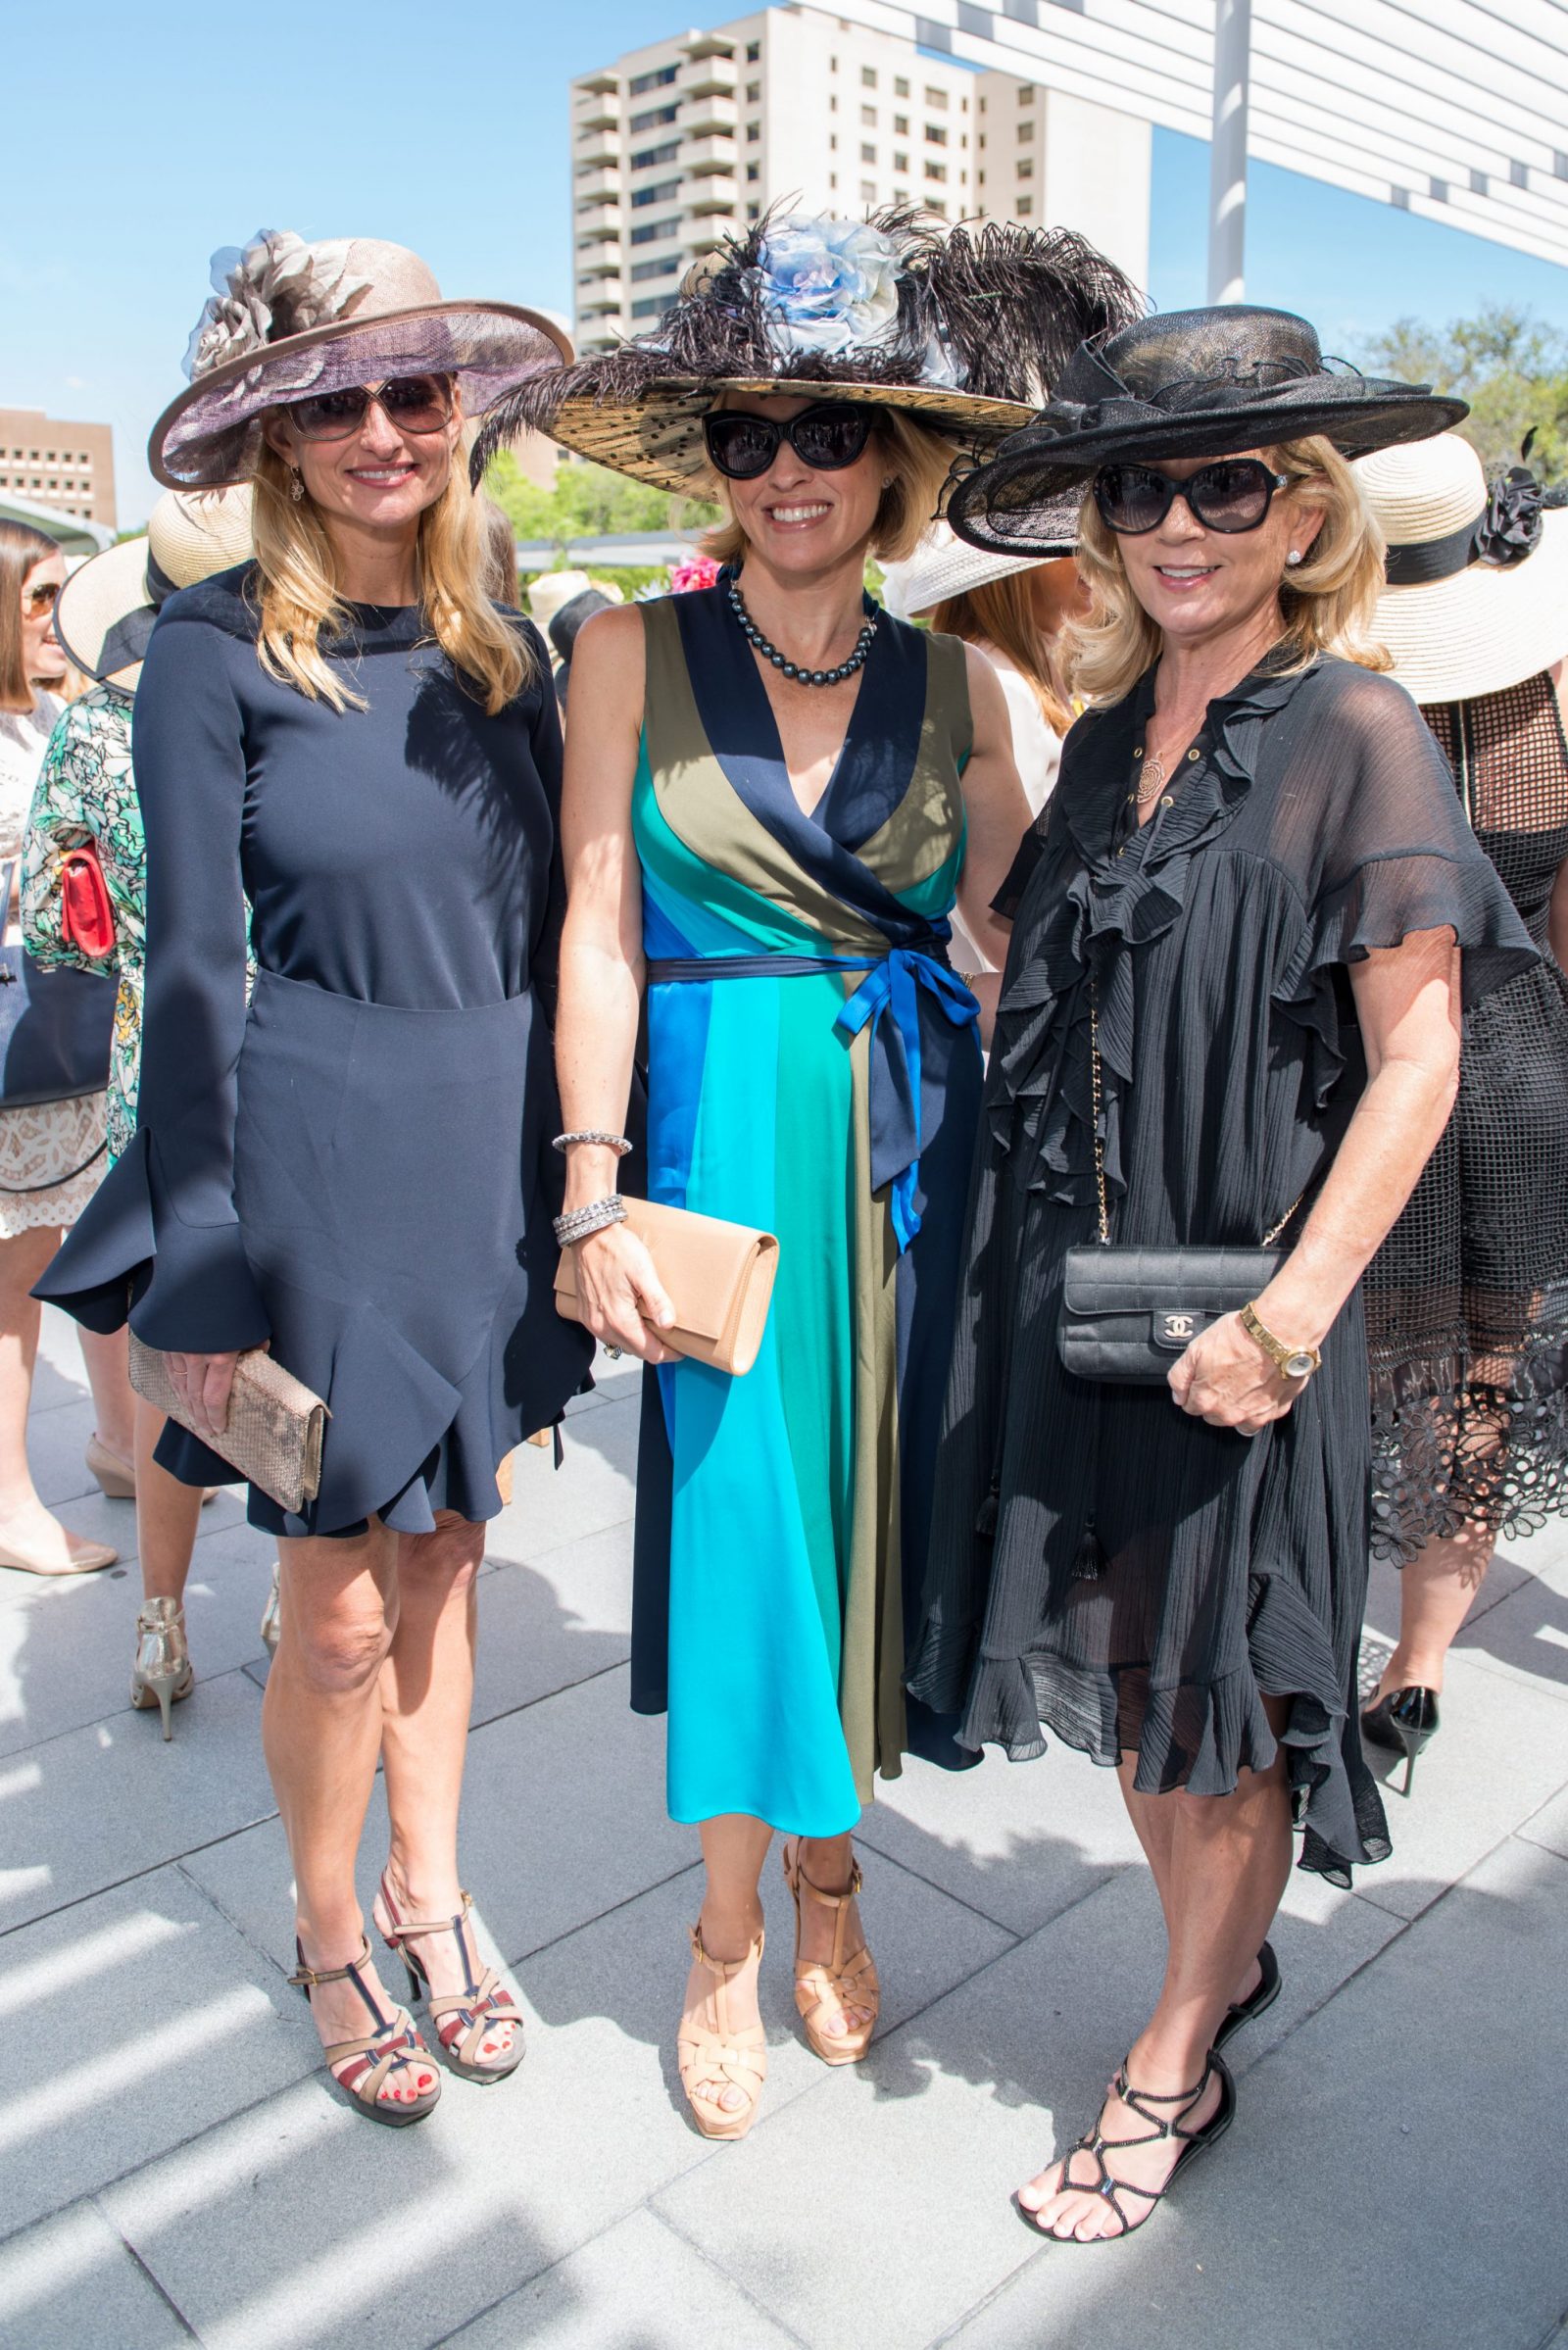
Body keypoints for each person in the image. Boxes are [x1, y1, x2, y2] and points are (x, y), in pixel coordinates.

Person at [479, 206, 1140, 2138]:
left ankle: (837, 1884)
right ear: (713, 464)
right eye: (748, 437)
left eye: (824, 436)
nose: (785, 472)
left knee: (871, 1524)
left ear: (893, 461)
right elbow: (594, 927)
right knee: (748, 1517)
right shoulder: (624, 648)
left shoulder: (968, 692)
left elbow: (1027, 936)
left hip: (900, 1160)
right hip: (705, 1149)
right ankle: (725, 1932)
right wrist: (586, 1182)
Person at [908, 306, 1532, 2241]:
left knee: (1221, 1688)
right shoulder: (1105, 735)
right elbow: (1047, 975)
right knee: (1135, 1665)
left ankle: (1171, 2045)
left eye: (1223, 482)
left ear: (1297, 512)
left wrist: (1286, 1313)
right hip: (1091, 1284)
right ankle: (1215, 1952)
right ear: (1093, 526)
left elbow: (1417, 1056)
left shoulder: (1346, 729)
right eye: (1138, 488)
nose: (1177, 521)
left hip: (1251, 1294)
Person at [38, 229, 592, 2123]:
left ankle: (436, 1895)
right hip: (321, 1142)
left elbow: (577, 912)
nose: (380, 429)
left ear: (459, 416)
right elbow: (187, 968)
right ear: (273, 434)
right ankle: (329, 1924)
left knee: (449, 1556)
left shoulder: (503, 635)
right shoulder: (209, 652)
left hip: (489, 1148)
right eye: (332, 398)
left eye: (413, 391)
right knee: (338, 1602)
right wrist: (198, 1250)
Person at [24, 485, 263, 1730]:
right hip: (290, 1062)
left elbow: (47, 911)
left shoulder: (91, 729)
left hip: (148, 1065)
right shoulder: (296, 703)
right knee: (289, 1350)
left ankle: (161, 1622)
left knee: (183, 1366)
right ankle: (288, 1588)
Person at [1353, 431, 1568, 1786]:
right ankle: (1418, 1660)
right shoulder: (1549, 698)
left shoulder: (1324, 696)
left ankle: (1347, 1632)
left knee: (1365, 1361)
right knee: (1472, 1373)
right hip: (1517, 1055)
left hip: (1362, 1069)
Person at [0, 519, 129, 1576]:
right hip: (18, 1039)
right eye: (37, 597)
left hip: (72, 1029)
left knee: (87, 1234)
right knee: (13, 1271)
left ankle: (119, 1440)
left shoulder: (53, 718)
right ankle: (8, 1497)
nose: (58, 619)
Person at [882, 512, 1083, 969]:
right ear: (1015, 573)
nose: (1093, 561)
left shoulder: (1016, 678)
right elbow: (1000, 891)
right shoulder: (1004, 688)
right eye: (1071, 547)